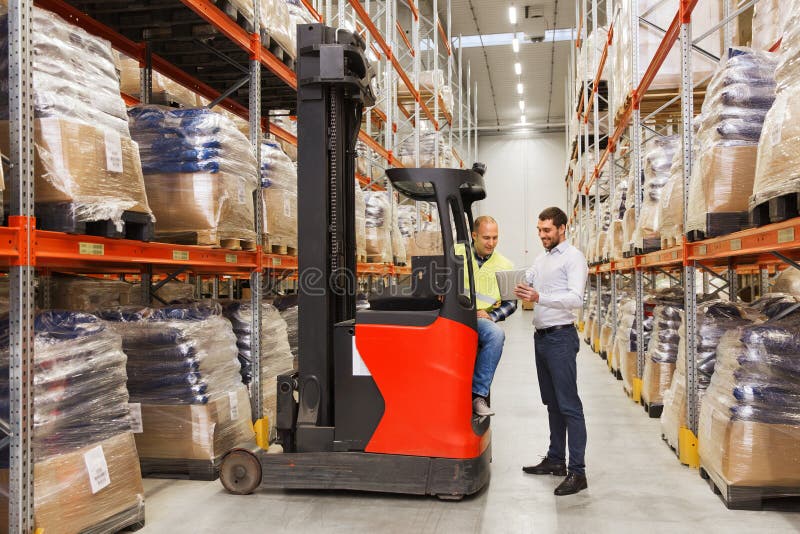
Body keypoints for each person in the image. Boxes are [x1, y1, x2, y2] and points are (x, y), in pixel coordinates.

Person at [514, 206, 589, 496]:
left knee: (569, 405)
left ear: (561, 228)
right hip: (542, 339)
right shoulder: (542, 258)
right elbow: (530, 277)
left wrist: (539, 297)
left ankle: (578, 472)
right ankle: (556, 459)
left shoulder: (573, 258)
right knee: (553, 403)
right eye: (539, 230)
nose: (542, 235)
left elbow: (576, 299)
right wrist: (520, 283)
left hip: (561, 338)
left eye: (547, 230)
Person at [468, 215, 517, 417]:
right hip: (453, 313)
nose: (491, 243)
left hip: (481, 319)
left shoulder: (505, 265)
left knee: (496, 335)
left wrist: (492, 316)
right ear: (474, 236)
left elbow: (511, 303)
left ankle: (478, 395)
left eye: (495, 238)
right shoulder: (456, 253)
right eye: (486, 238)